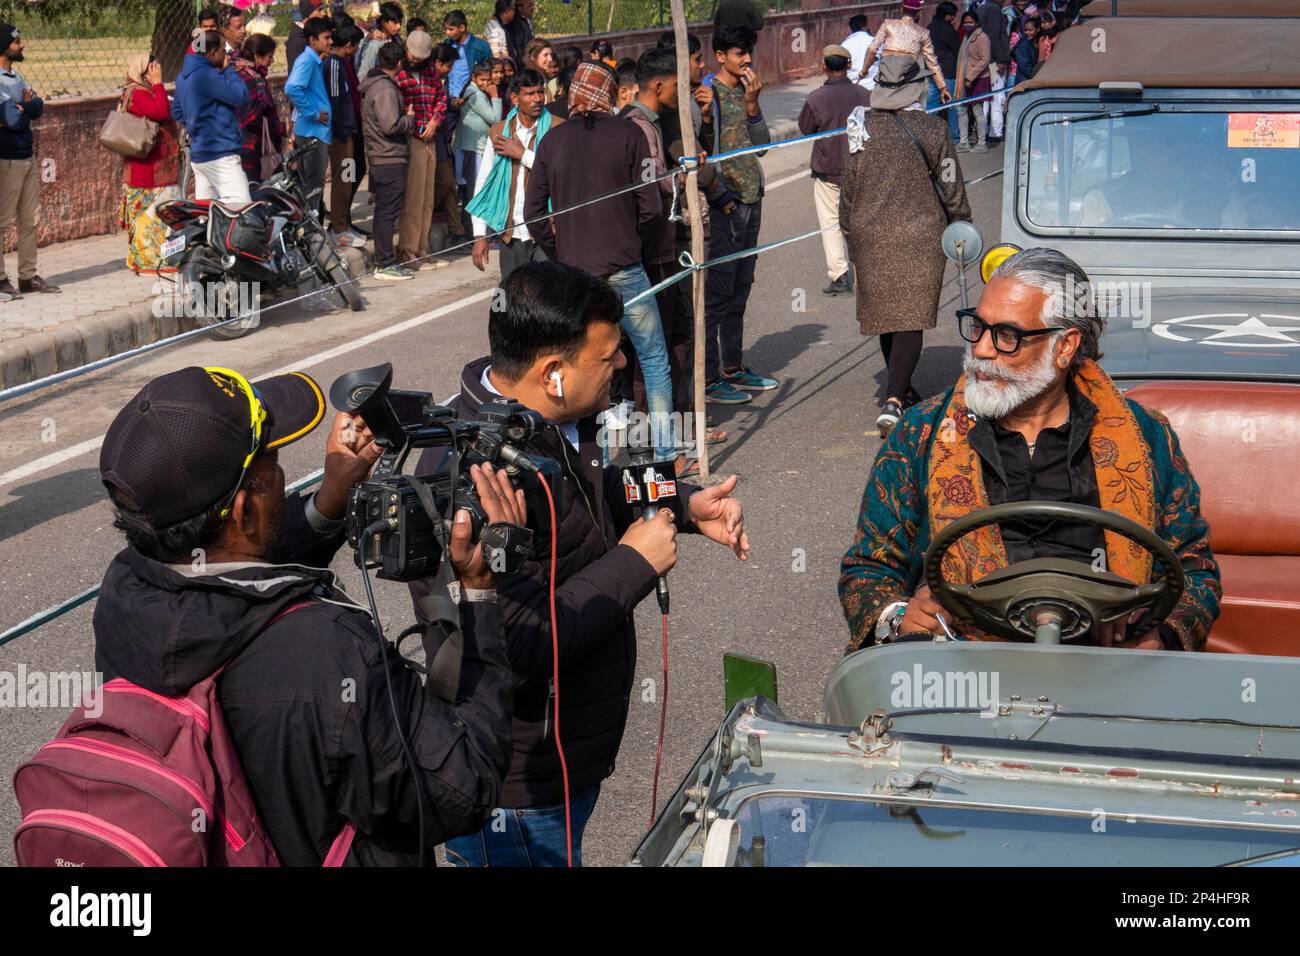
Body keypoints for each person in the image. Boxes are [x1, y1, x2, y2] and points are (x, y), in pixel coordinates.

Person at [96, 365, 522, 865]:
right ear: (244, 512)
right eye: (272, 463)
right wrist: (480, 596)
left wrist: (327, 504)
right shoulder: (329, 651)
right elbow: (462, 791)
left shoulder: (123, 591)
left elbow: (228, 575)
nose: (283, 475)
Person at [412, 261, 751, 866]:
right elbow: (509, 644)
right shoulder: (471, 475)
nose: (622, 365)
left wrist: (680, 500)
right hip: (517, 783)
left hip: (570, 756)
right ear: (554, 373)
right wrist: (633, 563)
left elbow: (591, 495)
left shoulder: (554, 421)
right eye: (609, 355)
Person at [839, 247, 1222, 653]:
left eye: (1007, 336)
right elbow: (869, 568)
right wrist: (897, 616)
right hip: (958, 667)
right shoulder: (920, 433)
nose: (982, 350)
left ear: (1064, 346)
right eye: (978, 327)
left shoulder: (1147, 436)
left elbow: (1195, 570)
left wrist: (1159, 634)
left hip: (1105, 665)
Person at [523, 61, 677, 465]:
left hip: (576, 278)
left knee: (580, 365)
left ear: (574, 94)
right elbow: (651, 206)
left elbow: (533, 212)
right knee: (653, 357)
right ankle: (664, 457)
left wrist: (559, 255)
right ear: (609, 94)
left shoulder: (552, 143)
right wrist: (630, 243)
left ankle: (589, 460)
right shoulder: (629, 134)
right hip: (627, 269)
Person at [840, 56, 971, 436]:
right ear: (917, 88)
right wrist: (963, 226)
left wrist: (850, 235)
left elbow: (848, 190)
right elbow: (951, 184)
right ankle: (895, 398)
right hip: (920, 235)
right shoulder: (933, 129)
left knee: (888, 314)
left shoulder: (859, 130)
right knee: (910, 315)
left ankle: (903, 388)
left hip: (870, 234)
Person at [621, 48, 700, 477]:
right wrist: (679, 180)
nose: (681, 92)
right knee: (651, 352)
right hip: (653, 254)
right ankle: (655, 451)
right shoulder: (640, 129)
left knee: (662, 345)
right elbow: (647, 198)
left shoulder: (651, 126)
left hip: (656, 250)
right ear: (658, 85)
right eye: (677, 85)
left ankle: (663, 439)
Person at [702, 25, 777, 406]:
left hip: (751, 198)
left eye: (748, 53)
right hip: (722, 204)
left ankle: (733, 365)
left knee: (740, 288)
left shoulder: (748, 93)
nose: (746, 60)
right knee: (717, 293)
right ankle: (709, 376)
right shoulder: (706, 93)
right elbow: (698, 148)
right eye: (738, 54)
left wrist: (753, 105)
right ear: (720, 57)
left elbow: (762, 147)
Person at [467, 68, 554, 282]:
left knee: (549, 300)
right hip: (511, 234)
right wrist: (480, 234)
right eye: (530, 94)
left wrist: (523, 154)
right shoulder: (498, 132)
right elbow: (484, 183)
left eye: (540, 92)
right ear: (515, 98)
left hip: (548, 231)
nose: (538, 99)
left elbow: (561, 174)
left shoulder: (556, 128)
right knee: (514, 302)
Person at [798, 45, 870, 299]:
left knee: (830, 224)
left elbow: (806, 128)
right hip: (860, 168)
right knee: (860, 222)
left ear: (824, 67)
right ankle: (866, 274)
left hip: (827, 171)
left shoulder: (816, 98)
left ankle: (840, 275)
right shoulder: (865, 94)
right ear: (848, 65)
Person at [0, 21, 57, 300]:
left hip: (27, 156)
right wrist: (24, 108)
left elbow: (38, 106)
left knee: (29, 220)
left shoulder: (17, 77)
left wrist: (26, 106)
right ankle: (0, 279)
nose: (21, 45)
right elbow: (12, 118)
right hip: (6, 160)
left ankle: (26, 277)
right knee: (1, 222)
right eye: (16, 41)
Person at [172, 29, 252, 205]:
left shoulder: (182, 77)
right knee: (242, 209)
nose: (226, 55)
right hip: (220, 154)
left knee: (208, 214)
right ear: (211, 52)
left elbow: (177, 112)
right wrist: (229, 70)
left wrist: (198, 118)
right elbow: (240, 95)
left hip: (200, 155)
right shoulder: (208, 75)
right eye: (223, 49)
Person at [118, 54, 179, 275]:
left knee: (153, 217)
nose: (157, 72)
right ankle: (149, 262)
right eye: (152, 68)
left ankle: (145, 260)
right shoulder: (139, 93)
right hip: (148, 171)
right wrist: (159, 85)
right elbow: (160, 112)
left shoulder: (143, 92)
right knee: (150, 218)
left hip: (151, 169)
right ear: (142, 71)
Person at [361, 40, 415, 280]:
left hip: (383, 156)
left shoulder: (378, 85)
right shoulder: (384, 89)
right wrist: (410, 119)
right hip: (388, 157)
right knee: (386, 212)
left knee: (385, 210)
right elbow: (390, 124)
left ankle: (385, 261)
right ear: (400, 63)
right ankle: (385, 263)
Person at [394, 29, 444, 268]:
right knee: (413, 200)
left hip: (430, 140)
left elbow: (441, 100)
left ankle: (422, 248)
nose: (415, 60)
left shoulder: (432, 73)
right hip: (411, 140)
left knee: (427, 199)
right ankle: (407, 251)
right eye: (413, 55)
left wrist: (435, 120)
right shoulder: (399, 75)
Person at [285, 17, 333, 220]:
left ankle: (310, 234)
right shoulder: (306, 60)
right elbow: (292, 88)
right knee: (313, 189)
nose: (330, 41)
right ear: (313, 41)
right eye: (326, 38)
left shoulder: (315, 60)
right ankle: (311, 239)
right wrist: (313, 113)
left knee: (311, 188)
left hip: (314, 131)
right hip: (313, 132)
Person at [862, 0, 952, 108]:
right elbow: (932, 62)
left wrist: (863, 71)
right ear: (919, 13)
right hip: (909, 80)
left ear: (901, 9)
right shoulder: (923, 33)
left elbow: (872, 49)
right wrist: (943, 87)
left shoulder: (888, 24)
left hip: (886, 78)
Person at [324, 22, 365, 246]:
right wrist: (342, 131)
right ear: (349, 45)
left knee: (348, 178)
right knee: (343, 180)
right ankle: (338, 227)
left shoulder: (342, 64)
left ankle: (344, 223)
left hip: (348, 132)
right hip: (341, 135)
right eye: (357, 45)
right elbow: (335, 101)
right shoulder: (334, 65)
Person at [235, 34, 284, 187]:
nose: (271, 61)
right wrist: (280, 128)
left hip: (246, 144)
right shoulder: (251, 78)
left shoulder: (242, 73)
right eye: (269, 56)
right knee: (255, 192)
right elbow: (252, 118)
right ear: (257, 55)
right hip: (250, 147)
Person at [454, 60, 499, 208]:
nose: (485, 83)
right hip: (473, 149)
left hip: (472, 147)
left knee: (472, 192)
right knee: (475, 191)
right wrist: (495, 95)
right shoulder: (476, 94)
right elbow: (495, 119)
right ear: (474, 78)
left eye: (488, 80)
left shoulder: (475, 91)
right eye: (482, 80)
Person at [973, 0, 1010, 142]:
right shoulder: (993, 9)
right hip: (993, 61)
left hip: (984, 60)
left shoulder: (982, 8)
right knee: (996, 97)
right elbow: (994, 38)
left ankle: (983, 131)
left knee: (985, 99)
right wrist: (1000, 59)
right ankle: (995, 132)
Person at [955, 13, 991, 152]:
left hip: (978, 78)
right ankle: (964, 142)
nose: (968, 24)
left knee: (977, 110)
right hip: (964, 79)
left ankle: (982, 143)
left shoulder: (982, 37)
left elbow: (985, 59)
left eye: (971, 22)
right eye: (966, 22)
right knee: (961, 109)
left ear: (977, 23)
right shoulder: (967, 37)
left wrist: (970, 76)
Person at [927, 2, 961, 144]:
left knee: (931, 106)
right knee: (952, 106)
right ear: (948, 16)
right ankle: (954, 138)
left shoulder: (929, 28)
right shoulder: (947, 30)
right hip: (948, 73)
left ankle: (927, 135)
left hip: (932, 72)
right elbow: (957, 49)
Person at [357, 1, 404, 77]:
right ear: (383, 22)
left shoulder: (398, 41)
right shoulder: (374, 45)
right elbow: (363, 74)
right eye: (395, 22)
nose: (398, 26)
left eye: (400, 22)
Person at [842, 14, 877, 89]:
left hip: (853, 85)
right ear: (865, 26)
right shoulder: (875, 42)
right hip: (873, 85)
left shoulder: (845, 45)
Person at [506, 0, 535, 71]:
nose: (532, 8)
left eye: (533, 5)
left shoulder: (525, 20)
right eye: (529, 6)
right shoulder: (517, 23)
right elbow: (519, 46)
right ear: (520, 8)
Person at [1011, 16, 1040, 84]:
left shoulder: (1037, 42)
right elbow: (1026, 68)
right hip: (1024, 82)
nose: (1027, 32)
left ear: (1038, 29)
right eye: (1026, 30)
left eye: (1030, 30)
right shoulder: (1022, 45)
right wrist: (1037, 77)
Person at [219, 6, 248, 72]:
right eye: (238, 27)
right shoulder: (218, 55)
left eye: (244, 25)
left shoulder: (245, 51)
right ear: (225, 31)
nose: (244, 31)